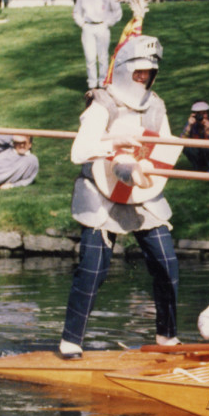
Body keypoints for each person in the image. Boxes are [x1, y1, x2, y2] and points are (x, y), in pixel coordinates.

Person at [58, 35, 180, 359]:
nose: (143, 78)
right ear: (126, 70)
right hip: (101, 189)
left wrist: (143, 161)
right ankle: (71, 340)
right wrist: (114, 142)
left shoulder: (156, 105)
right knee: (94, 268)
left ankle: (167, 336)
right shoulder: (103, 101)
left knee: (167, 263)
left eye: (149, 72)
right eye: (138, 71)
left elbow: (165, 147)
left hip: (141, 187)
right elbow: (79, 151)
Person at [72, 0, 122, 91]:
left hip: (102, 27)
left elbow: (117, 11)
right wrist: (82, 24)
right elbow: (76, 12)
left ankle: (103, 83)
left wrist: (108, 23)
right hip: (88, 27)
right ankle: (92, 84)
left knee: (103, 57)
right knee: (90, 57)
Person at [180, 100, 209, 172]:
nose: (201, 116)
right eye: (198, 114)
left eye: (204, 113)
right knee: (187, 147)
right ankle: (198, 167)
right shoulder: (191, 123)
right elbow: (181, 141)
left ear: (208, 113)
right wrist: (189, 126)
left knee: (208, 147)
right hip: (199, 151)